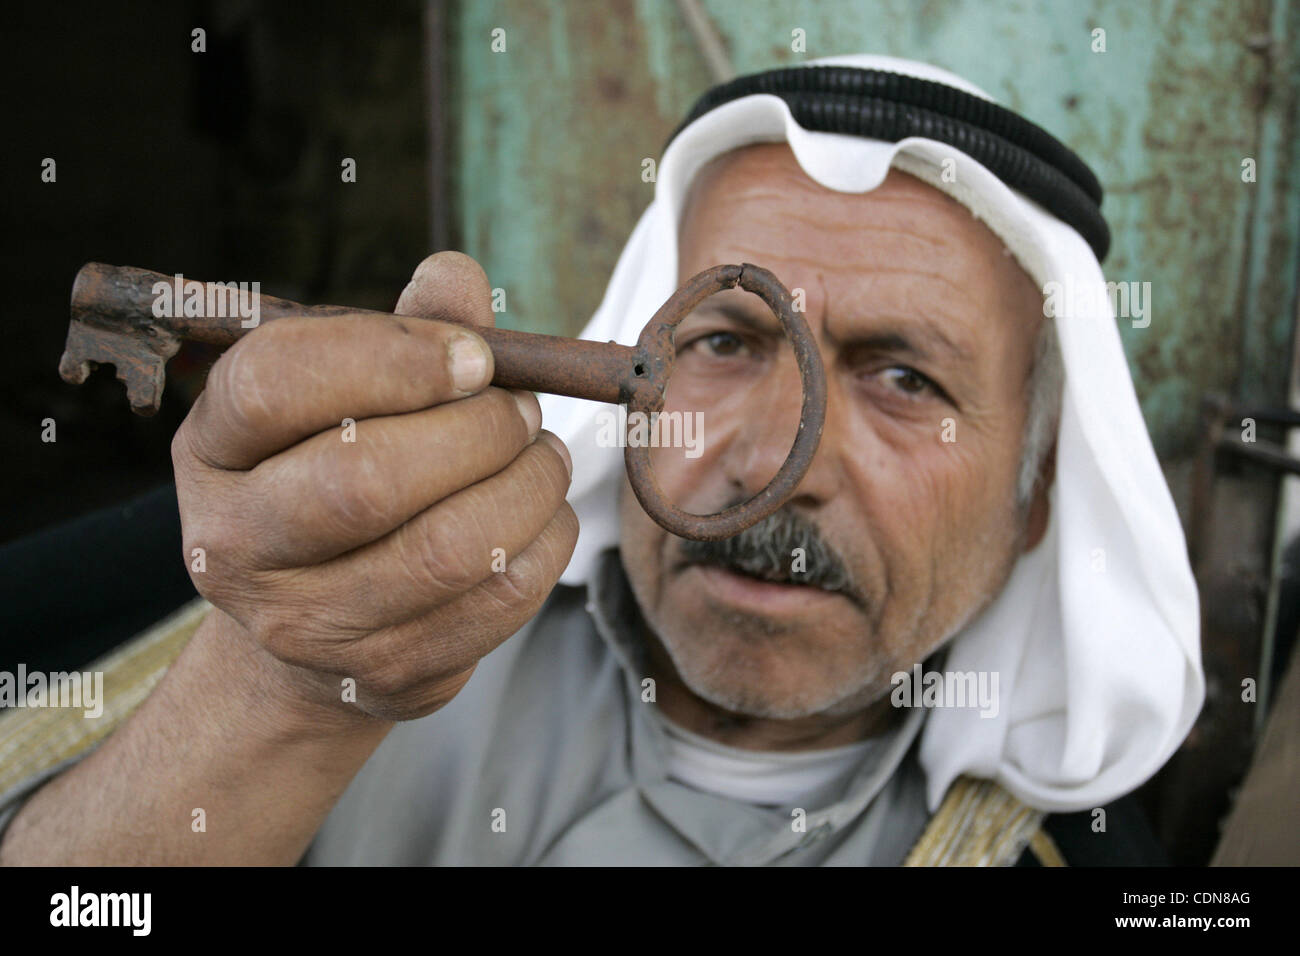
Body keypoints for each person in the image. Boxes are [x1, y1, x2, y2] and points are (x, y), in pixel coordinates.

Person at [0, 54, 1202, 866]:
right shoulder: (365, 618)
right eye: (726, 339)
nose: (773, 457)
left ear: (1040, 491)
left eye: (905, 379)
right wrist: (285, 694)